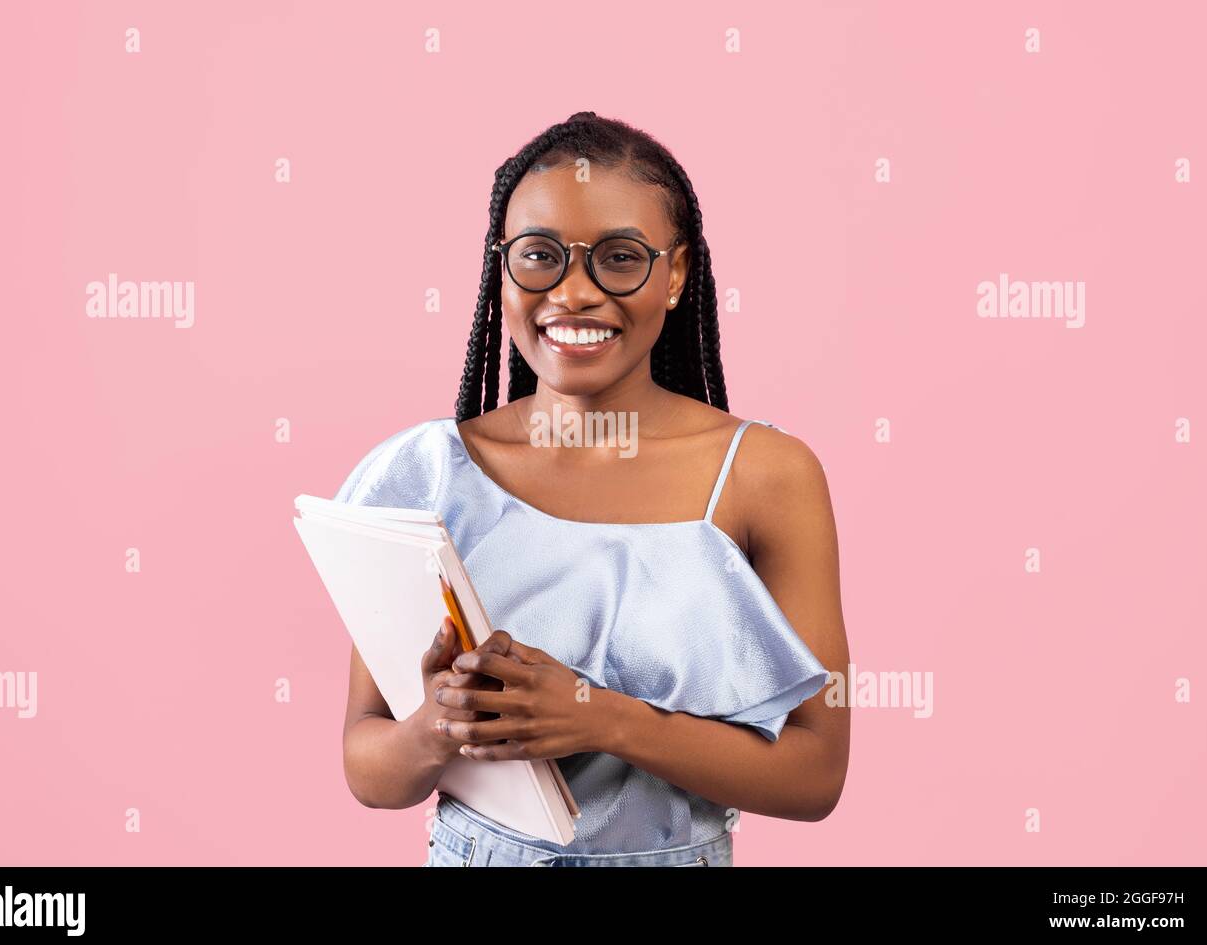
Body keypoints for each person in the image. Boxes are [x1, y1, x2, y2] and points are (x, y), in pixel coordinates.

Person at [336, 112, 851, 866]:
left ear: (675, 275)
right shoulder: (420, 476)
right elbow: (367, 764)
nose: (573, 294)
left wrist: (601, 720)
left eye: (619, 258)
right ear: (501, 267)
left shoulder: (764, 475)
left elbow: (816, 774)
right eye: (540, 256)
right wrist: (439, 726)